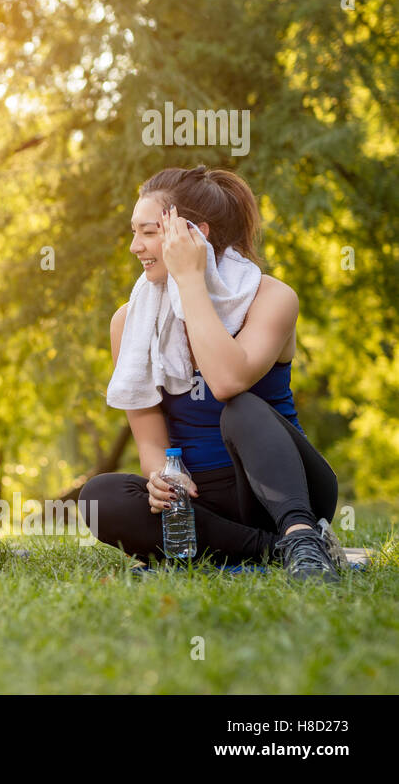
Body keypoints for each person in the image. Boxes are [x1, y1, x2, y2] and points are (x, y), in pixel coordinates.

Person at [79, 166, 345, 581]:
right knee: (100, 496)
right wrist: (159, 481)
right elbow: (150, 440)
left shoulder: (272, 297)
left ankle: (300, 534)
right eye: (134, 232)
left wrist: (190, 280)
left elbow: (226, 382)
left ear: (194, 235)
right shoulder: (129, 321)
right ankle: (277, 551)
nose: (135, 246)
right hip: (200, 500)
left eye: (148, 232)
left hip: (284, 492)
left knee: (239, 408)